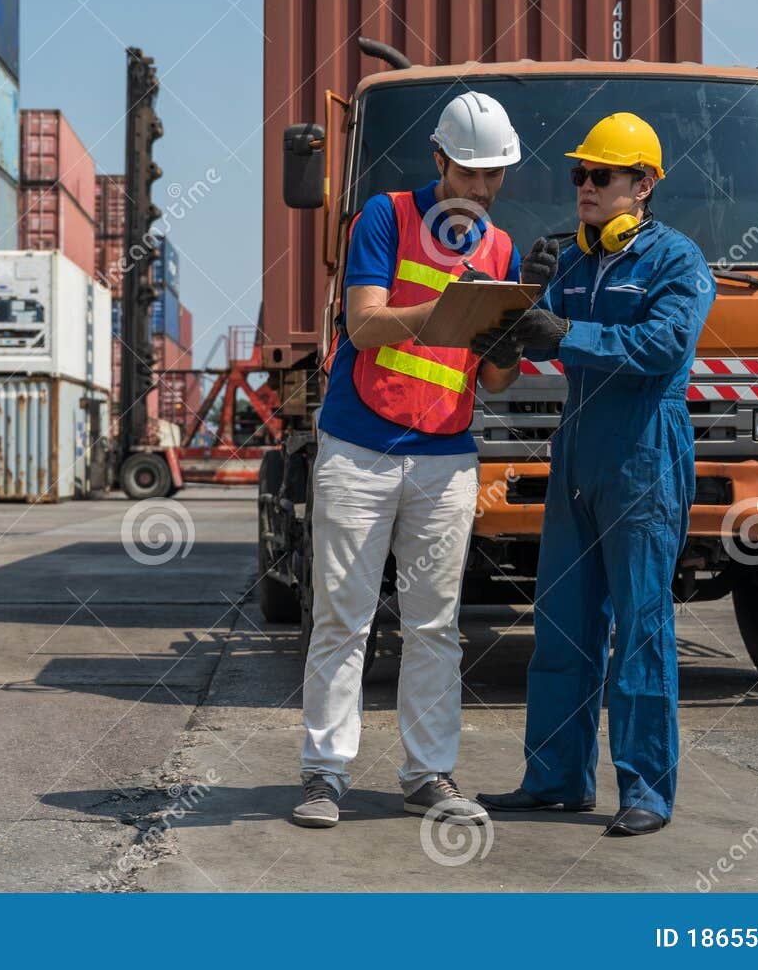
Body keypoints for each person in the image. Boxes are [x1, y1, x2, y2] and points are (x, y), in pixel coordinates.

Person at [292, 91, 558, 829]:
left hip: (446, 455)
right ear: (439, 160)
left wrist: (511, 332)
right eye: (469, 171)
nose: (481, 187)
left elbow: (494, 379)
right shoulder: (385, 216)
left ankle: (428, 773)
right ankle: (323, 773)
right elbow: (365, 323)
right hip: (360, 447)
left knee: (435, 625)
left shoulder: (501, 248)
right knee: (343, 618)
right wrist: (451, 301)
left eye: (494, 174)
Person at [475, 112, 714, 836]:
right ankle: (555, 779)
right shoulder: (573, 262)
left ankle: (644, 789)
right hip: (577, 447)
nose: (583, 185)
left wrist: (567, 333)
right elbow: (523, 341)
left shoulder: (678, 260)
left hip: (643, 449)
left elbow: (665, 344)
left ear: (642, 185)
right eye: (579, 173)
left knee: (640, 628)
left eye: (599, 174)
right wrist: (517, 300)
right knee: (562, 624)